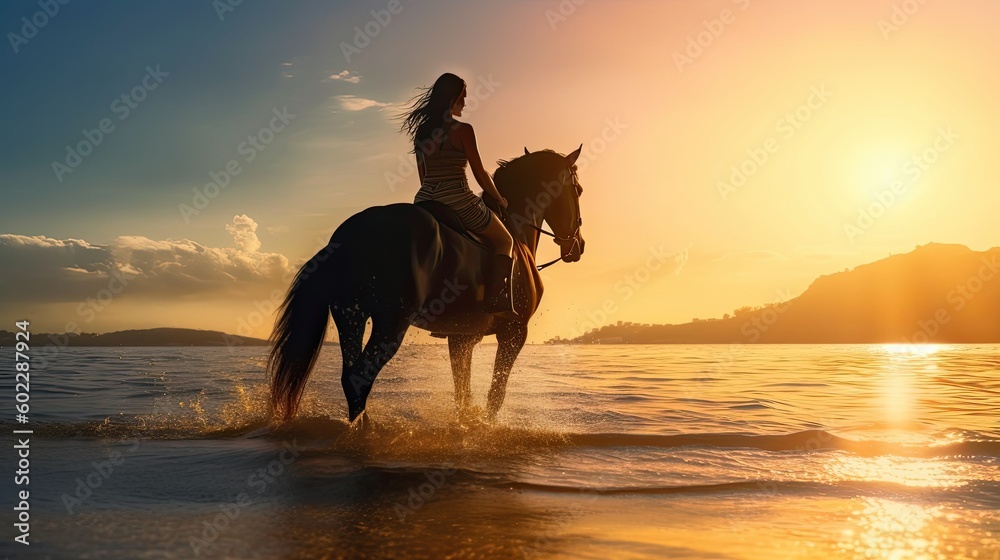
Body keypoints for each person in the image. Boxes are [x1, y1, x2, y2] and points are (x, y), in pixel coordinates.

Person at [399, 73, 516, 316]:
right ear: (452, 98)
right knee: (506, 241)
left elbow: (423, 174)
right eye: (463, 97)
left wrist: (432, 195)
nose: (465, 102)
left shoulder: (422, 131)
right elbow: (480, 174)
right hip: (459, 201)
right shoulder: (463, 130)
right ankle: (495, 299)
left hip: (424, 200)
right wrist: (499, 198)